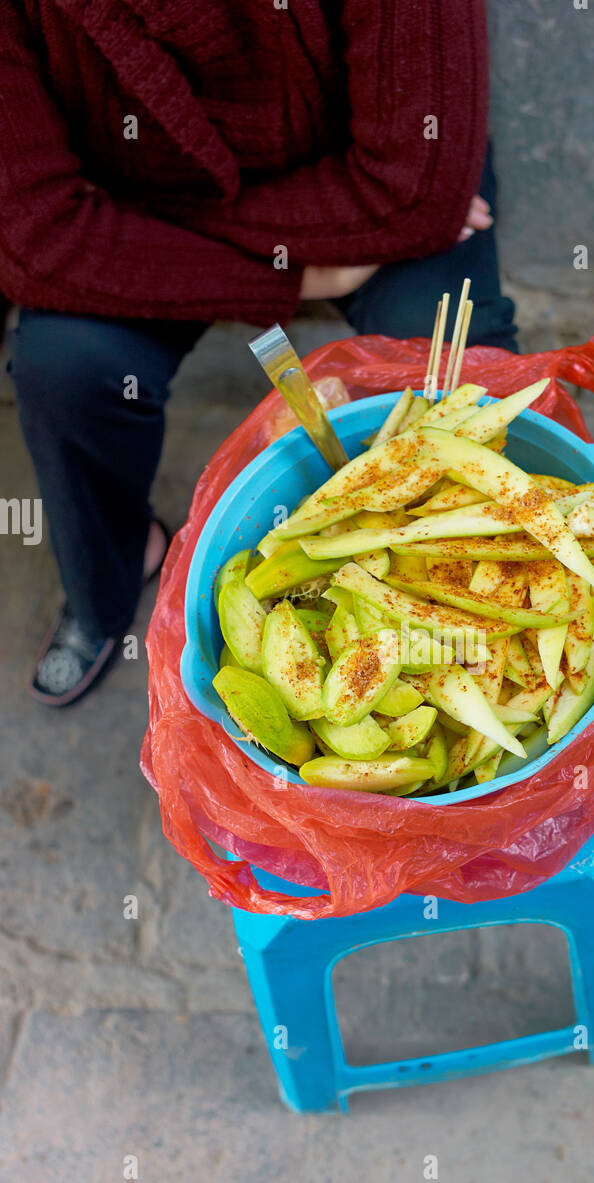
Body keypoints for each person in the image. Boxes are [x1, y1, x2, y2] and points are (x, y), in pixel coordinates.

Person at [0, 0, 517, 706]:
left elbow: (413, 188)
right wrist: (287, 274)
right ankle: (109, 579)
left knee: (454, 368)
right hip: (142, 211)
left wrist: (115, 225)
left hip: (345, 188)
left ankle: (451, 603)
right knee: (65, 368)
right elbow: (36, 238)